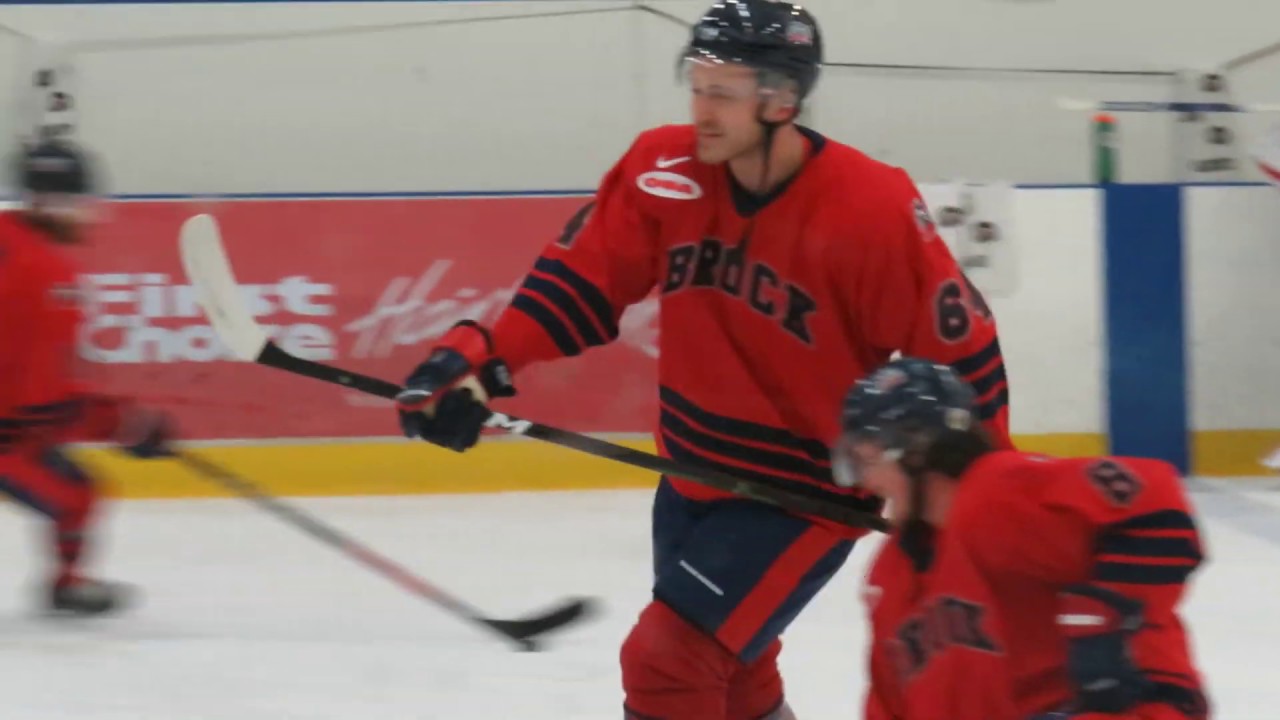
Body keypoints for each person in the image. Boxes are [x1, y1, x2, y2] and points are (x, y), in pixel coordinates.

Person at [394, 1, 1012, 717]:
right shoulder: (662, 167)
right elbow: (581, 283)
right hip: (691, 472)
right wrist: (481, 360)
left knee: (667, 660)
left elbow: (962, 353)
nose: (702, 109)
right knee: (736, 681)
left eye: (724, 91)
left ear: (781, 99)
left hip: (804, 492)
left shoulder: (869, 207)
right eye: (696, 85)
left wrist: (977, 503)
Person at [833, 357, 1209, 720]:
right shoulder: (891, 575)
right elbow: (891, 704)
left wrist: (1102, 624)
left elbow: (1156, 504)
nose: (864, 482)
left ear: (916, 451)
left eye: (868, 460)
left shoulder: (999, 495)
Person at [0, 138, 174, 615]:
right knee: (73, 493)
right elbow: (41, 404)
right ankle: (69, 584)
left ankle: (70, 583)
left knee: (73, 487)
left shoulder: (15, 245)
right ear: (54, 202)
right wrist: (123, 425)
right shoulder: (45, 274)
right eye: (82, 202)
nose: (90, 214)